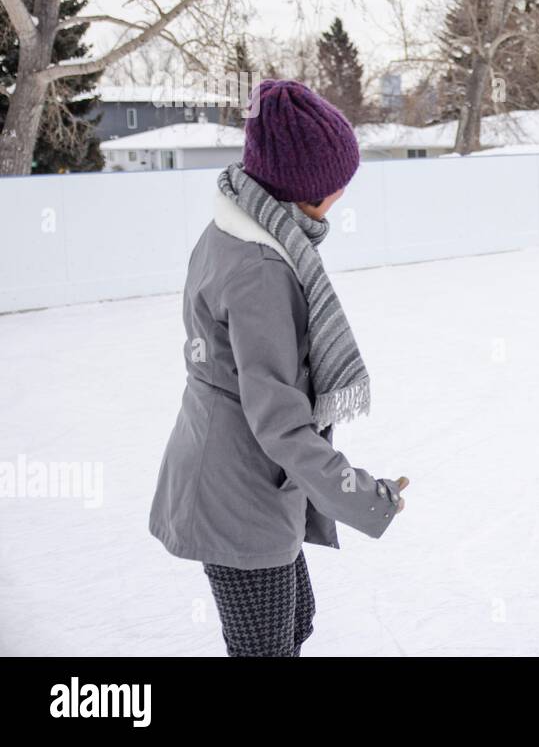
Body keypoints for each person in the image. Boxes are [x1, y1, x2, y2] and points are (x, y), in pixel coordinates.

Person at [148, 78, 409, 656]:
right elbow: (281, 423)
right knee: (267, 649)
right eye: (338, 185)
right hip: (236, 495)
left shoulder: (236, 226)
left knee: (293, 623)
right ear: (306, 192)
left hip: (243, 480)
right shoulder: (263, 268)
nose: (343, 194)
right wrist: (367, 495)